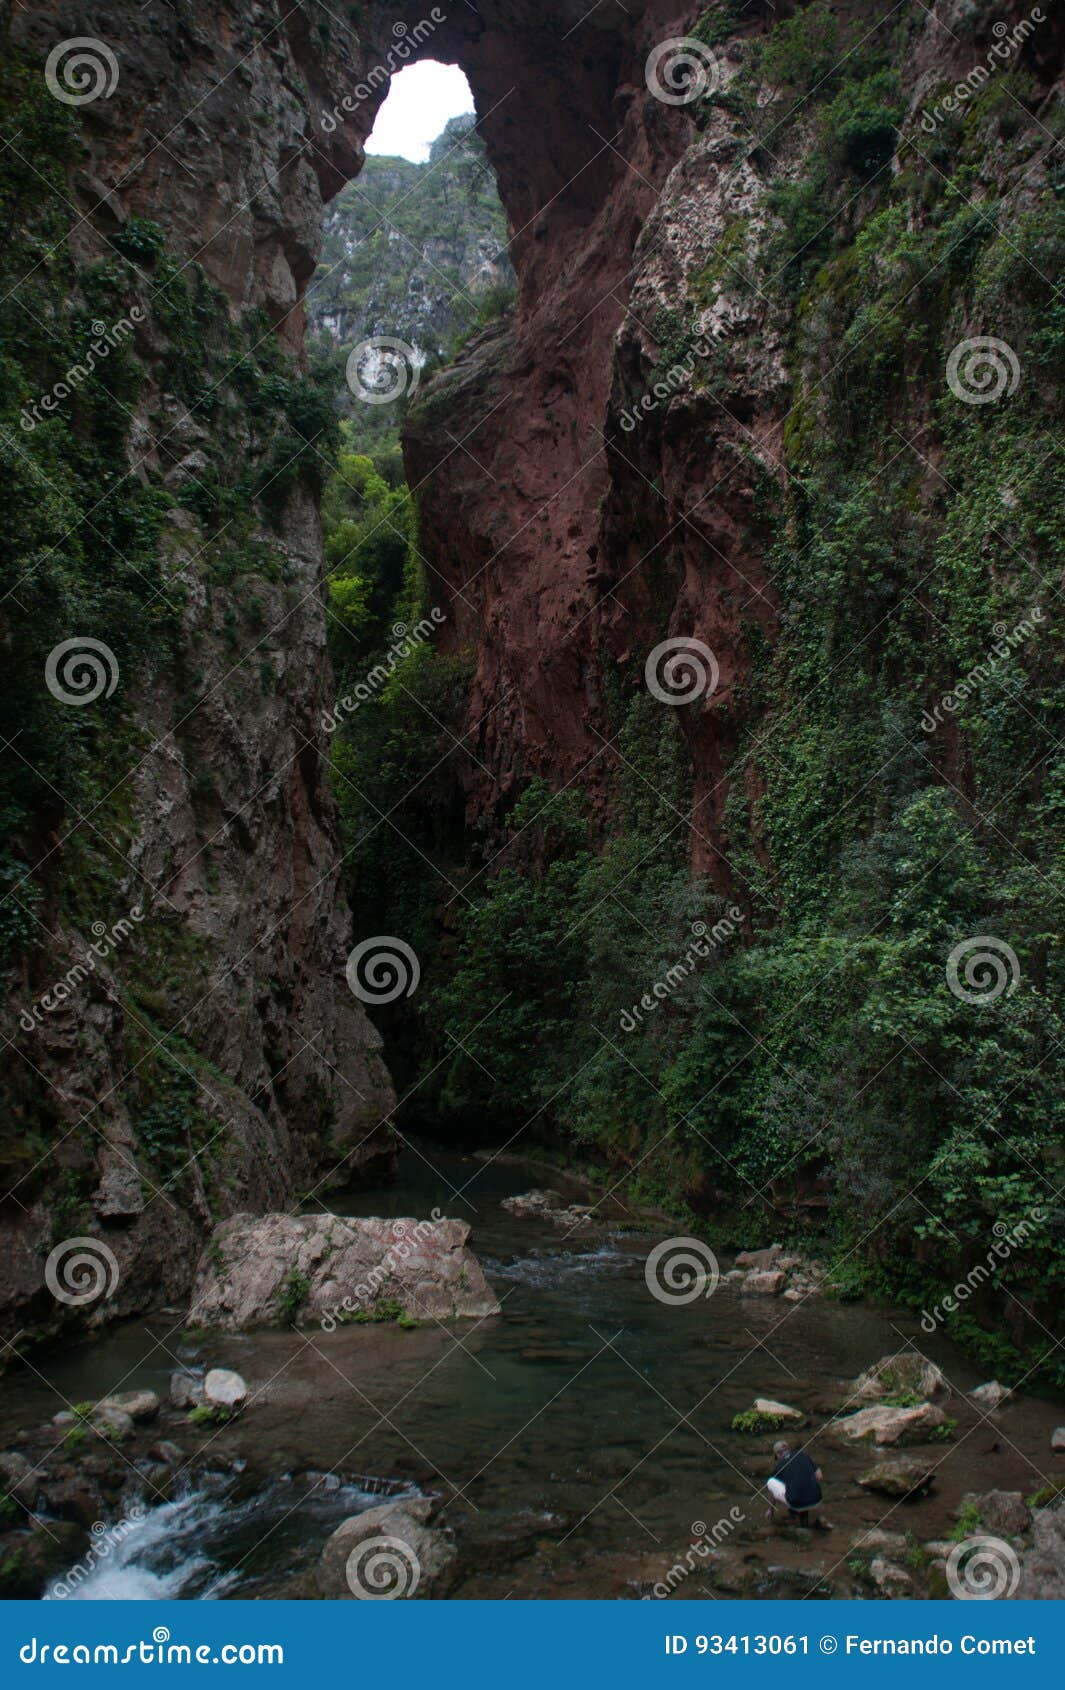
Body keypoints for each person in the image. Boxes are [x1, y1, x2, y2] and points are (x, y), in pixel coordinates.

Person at [766, 1439, 823, 1525]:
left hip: (797, 1504)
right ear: (788, 1449)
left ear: (778, 1454)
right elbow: (819, 1476)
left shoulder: (779, 1465)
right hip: (817, 1499)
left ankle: (794, 1515)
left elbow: (773, 1491)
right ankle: (804, 1515)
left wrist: (771, 1510)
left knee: (770, 1482)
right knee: (800, 1483)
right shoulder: (802, 1454)